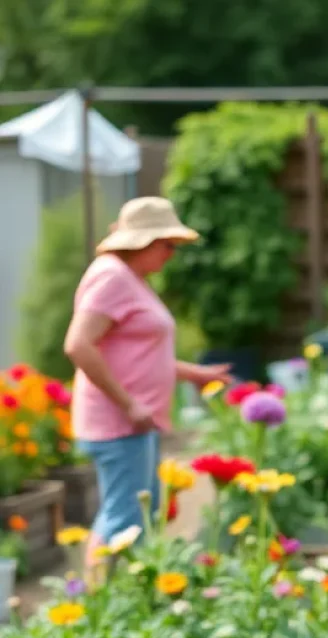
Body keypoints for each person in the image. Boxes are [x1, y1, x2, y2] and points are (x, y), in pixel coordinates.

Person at [65, 197, 232, 565]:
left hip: (133, 421)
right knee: (124, 521)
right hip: (119, 422)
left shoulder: (128, 277)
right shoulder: (112, 276)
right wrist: (128, 403)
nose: (172, 254)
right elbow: (78, 345)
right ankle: (100, 608)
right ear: (143, 242)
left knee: (131, 514)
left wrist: (195, 374)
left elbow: (140, 354)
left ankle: (109, 602)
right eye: (168, 245)